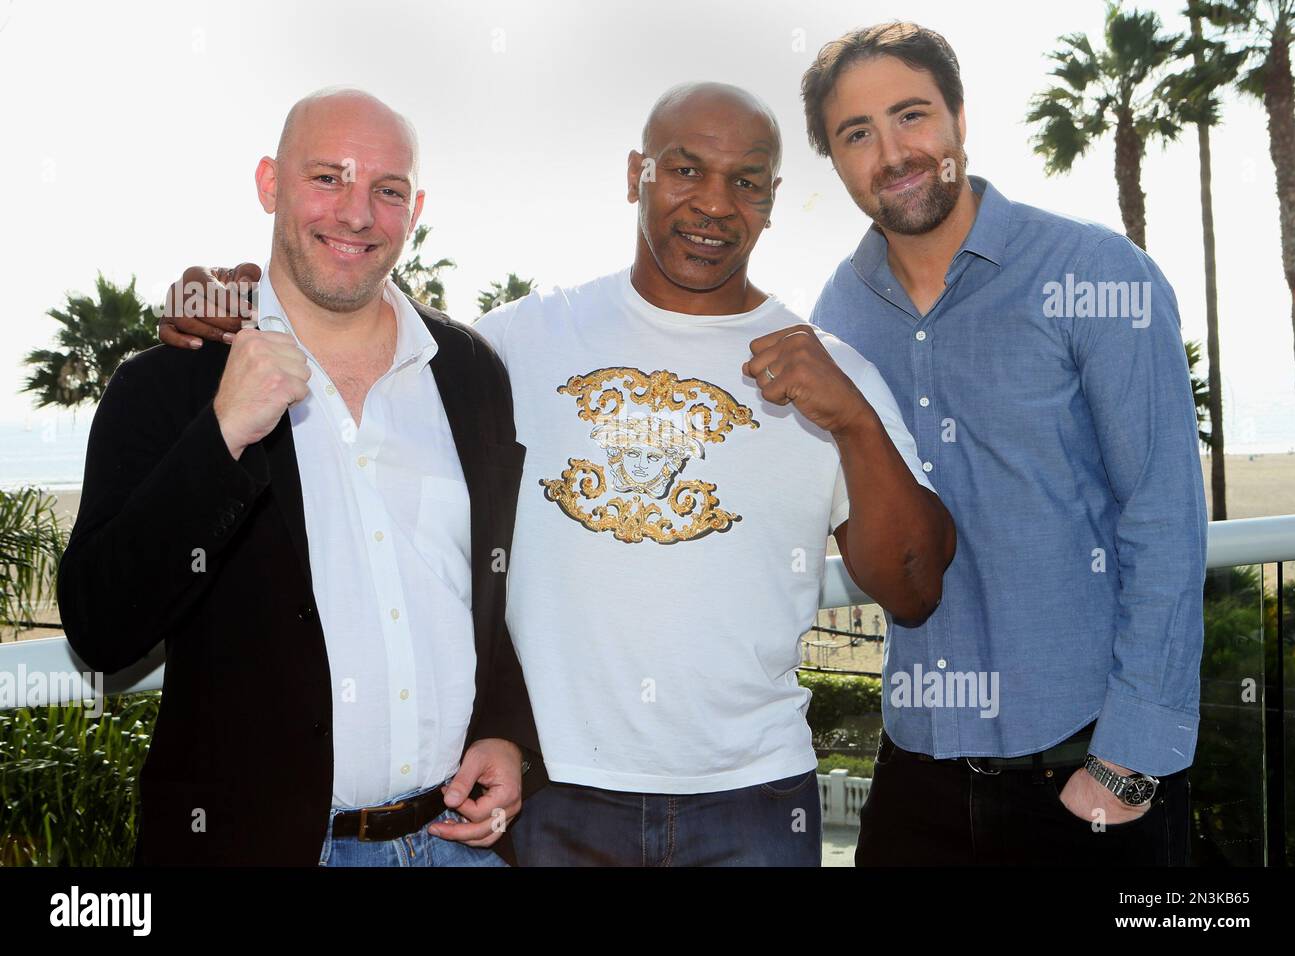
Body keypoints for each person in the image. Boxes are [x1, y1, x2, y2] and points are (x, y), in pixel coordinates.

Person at [161, 81, 956, 866]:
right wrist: (239, 292)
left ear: (773, 198)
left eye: (745, 181)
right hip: (549, 797)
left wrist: (852, 419)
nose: (714, 203)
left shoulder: (831, 370)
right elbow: (361, 319)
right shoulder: (517, 343)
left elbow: (914, 588)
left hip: (753, 800)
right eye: (684, 170)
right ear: (635, 173)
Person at [58, 88, 540, 866]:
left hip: (459, 842)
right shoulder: (168, 384)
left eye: (386, 190)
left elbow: (492, 594)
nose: (356, 215)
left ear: (413, 208)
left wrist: (507, 732)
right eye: (327, 178)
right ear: (269, 184)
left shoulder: (471, 372)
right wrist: (222, 437)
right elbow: (100, 629)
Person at [802, 22, 1208, 865]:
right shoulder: (836, 320)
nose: (893, 151)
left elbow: (1164, 517)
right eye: (857, 133)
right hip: (916, 775)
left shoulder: (1097, 274)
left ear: (957, 119)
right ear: (834, 159)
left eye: (912, 115)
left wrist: (1128, 764)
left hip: (1088, 775)